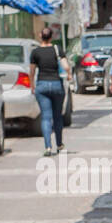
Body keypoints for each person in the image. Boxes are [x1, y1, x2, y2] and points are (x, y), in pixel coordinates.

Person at [29, 27, 70, 156]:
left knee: (46, 117)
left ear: (41, 36)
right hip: (56, 85)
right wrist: (69, 74)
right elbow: (66, 66)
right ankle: (59, 145)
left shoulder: (35, 52)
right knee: (57, 116)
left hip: (42, 85)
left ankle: (47, 147)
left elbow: (31, 72)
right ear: (51, 37)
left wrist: (32, 86)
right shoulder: (57, 49)